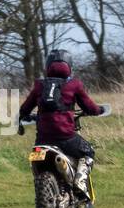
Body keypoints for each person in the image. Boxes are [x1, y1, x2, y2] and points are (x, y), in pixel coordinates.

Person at [17, 49, 105, 195]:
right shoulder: (74, 85)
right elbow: (90, 108)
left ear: (47, 66)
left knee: (37, 159)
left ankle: (46, 190)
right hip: (65, 137)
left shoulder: (40, 85)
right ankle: (80, 180)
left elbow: (24, 109)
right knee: (88, 152)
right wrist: (99, 110)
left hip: (42, 140)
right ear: (69, 66)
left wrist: (25, 117)